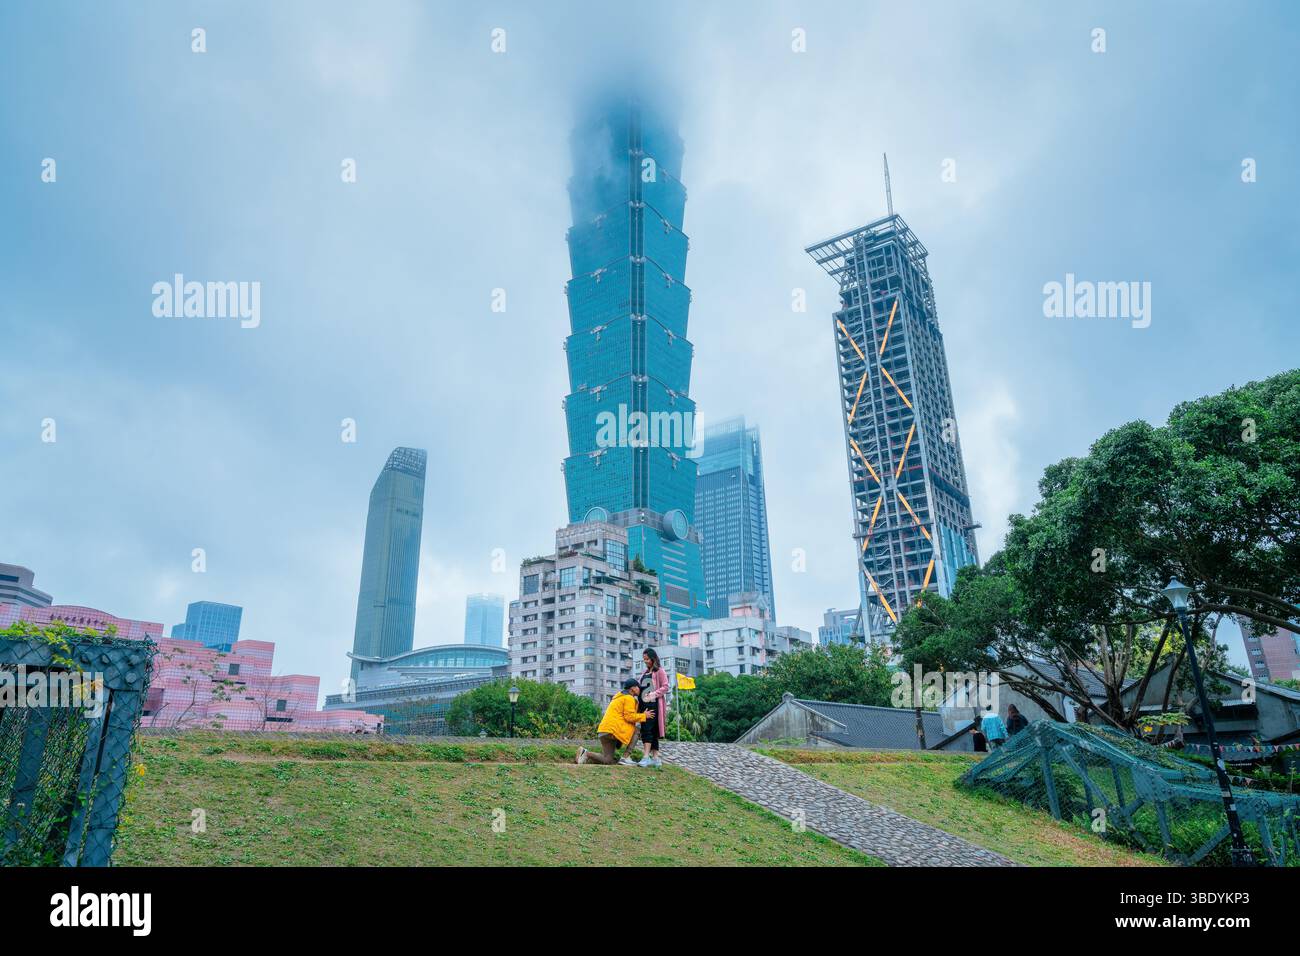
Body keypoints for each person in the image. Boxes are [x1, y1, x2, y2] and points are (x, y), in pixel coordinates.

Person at [577, 679, 654, 766]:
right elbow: (629, 717)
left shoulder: (618, 698)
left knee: (607, 760)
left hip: (604, 731)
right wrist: (644, 715)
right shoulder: (629, 698)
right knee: (637, 730)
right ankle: (625, 757)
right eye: (638, 687)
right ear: (633, 688)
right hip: (613, 731)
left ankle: (586, 753)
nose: (640, 689)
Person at [637, 648, 670, 768]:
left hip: (653, 704)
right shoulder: (644, 673)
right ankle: (655, 758)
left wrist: (654, 694)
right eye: (644, 659)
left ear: (653, 658)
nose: (645, 661)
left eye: (647, 659)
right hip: (644, 705)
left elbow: (666, 687)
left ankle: (646, 757)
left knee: (647, 729)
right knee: (652, 731)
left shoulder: (659, 671)